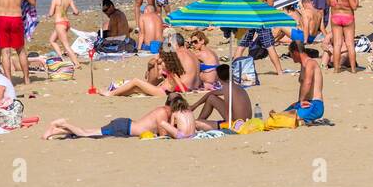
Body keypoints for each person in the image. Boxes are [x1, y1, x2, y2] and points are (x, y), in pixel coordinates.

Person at [42, 94, 190, 140]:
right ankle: (62, 124)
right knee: (86, 133)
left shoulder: (162, 110)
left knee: (89, 133)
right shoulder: (163, 113)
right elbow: (163, 134)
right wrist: (173, 124)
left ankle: (56, 132)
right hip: (123, 127)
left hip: (125, 125)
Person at [234, 0, 285, 75]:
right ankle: (279, 71)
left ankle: (234, 71)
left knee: (241, 46)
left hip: (246, 18)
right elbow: (271, 3)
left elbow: (237, 4)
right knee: (269, 45)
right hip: (260, 17)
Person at [269, 41, 324, 124]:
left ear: (295, 52)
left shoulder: (310, 63)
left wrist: (301, 101)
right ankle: (304, 120)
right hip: (305, 102)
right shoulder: (303, 65)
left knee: (289, 118)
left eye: (290, 53)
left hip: (315, 104)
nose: (290, 56)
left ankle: (304, 120)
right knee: (279, 116)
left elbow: (307, 83)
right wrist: (299, 102)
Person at [105, 48, 197, 96]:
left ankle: (111, 93)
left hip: (162, 92)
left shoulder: (167, 67)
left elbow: (157, 77)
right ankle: (115, 92)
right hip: (163, 90)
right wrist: (185, 92)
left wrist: (156, 63)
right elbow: (177, 80)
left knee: (135, 81)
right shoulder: (172, 67)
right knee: (135, 89)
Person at [191, 63, 251, 130]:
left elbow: (228, 109)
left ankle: (199, 123)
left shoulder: (227, 88)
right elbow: (211, 94)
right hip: (247, 122)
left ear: (218, 77)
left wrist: (227, 126)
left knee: (196, 123)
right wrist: (194, 106)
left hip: (236, 125)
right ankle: (200, 120)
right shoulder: (236, 87)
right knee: (211, 98)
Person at [328, 0, 360, 74]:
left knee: (337, 44)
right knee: (350, 44)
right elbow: (354, 7)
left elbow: (329, 4)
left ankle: (337, 68)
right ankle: (353, 69)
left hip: (335, 17)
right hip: (347, 18)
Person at [47, 0, 82, 66]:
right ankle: (62, 58)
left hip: (59, 24)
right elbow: (76, 12)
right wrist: (74, 13)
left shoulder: (55, 0)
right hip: (66, 23)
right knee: (52, 40)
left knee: (66, 45)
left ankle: (77, 63)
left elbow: (51, 14)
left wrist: (49, 15)